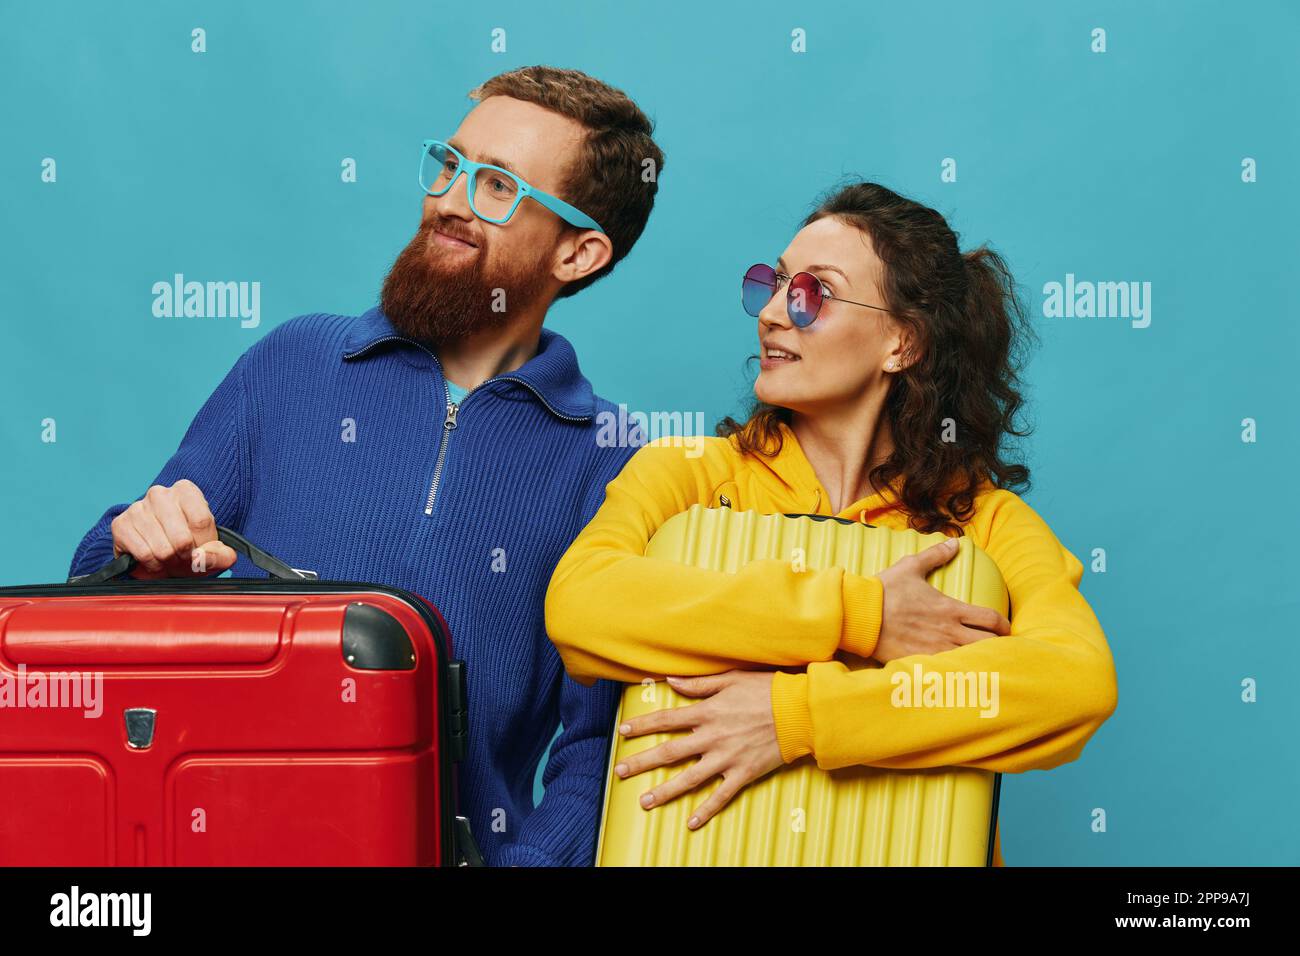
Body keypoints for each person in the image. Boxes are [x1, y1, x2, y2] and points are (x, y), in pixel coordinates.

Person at [68, 65, 666, 867]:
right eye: (451, 166)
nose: (452, 199)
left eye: (499, 187)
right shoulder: (292, 362)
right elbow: (97, 586)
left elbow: (601, 744)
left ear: (579, 252)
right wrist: (136, 548)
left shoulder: (614, 463)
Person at [544, 181, 1118, 866]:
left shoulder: (986, 523)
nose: (774, 315)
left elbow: (1074, 684)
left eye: (814, 294)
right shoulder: (687, 475)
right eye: (775, 283)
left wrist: (798, 718)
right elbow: (582, 607)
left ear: (902, 342)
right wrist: (863, 616)